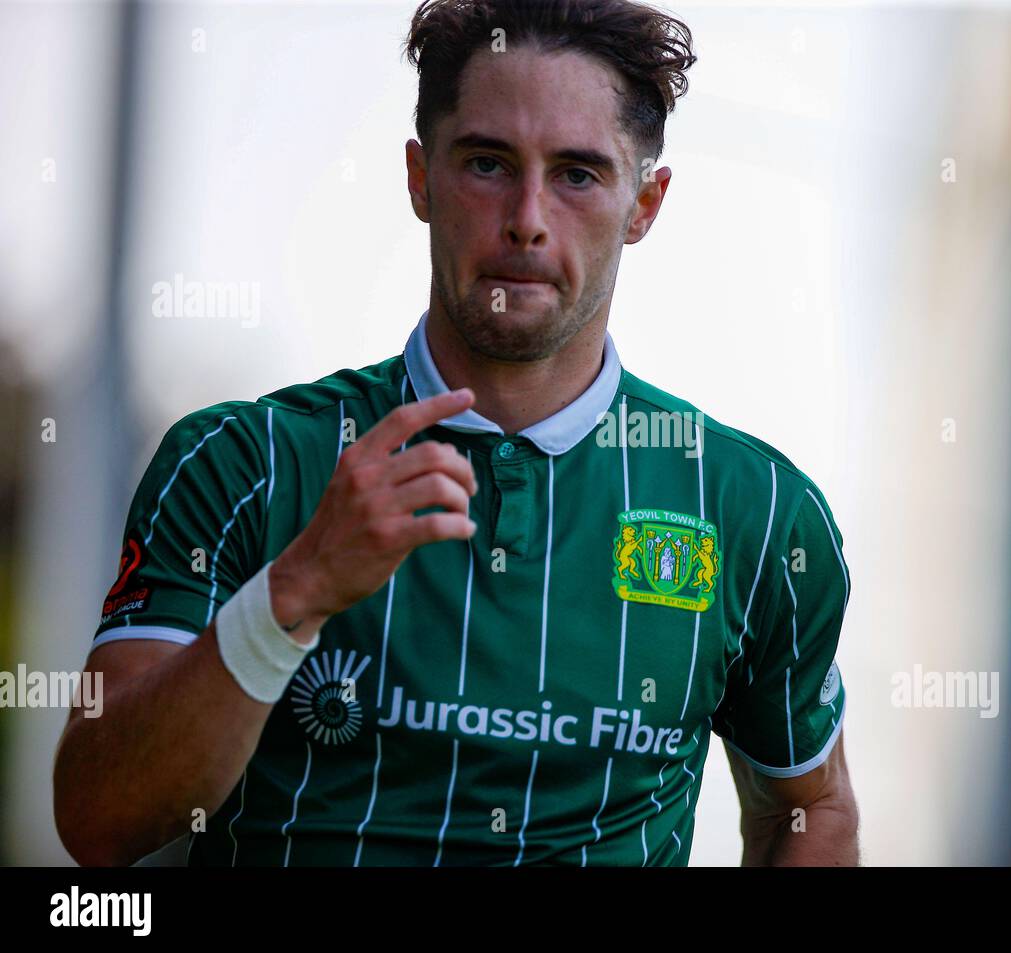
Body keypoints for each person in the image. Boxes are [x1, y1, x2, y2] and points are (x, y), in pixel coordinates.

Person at [53, 0, 857, 867]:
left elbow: (809, 809)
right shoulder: (244, 462)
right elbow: (98, 820)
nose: (527, 218)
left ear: (646, 204)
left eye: (578, 174)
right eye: (486, 163)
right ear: (420, 179)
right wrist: (297, 590)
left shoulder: (757, 509)